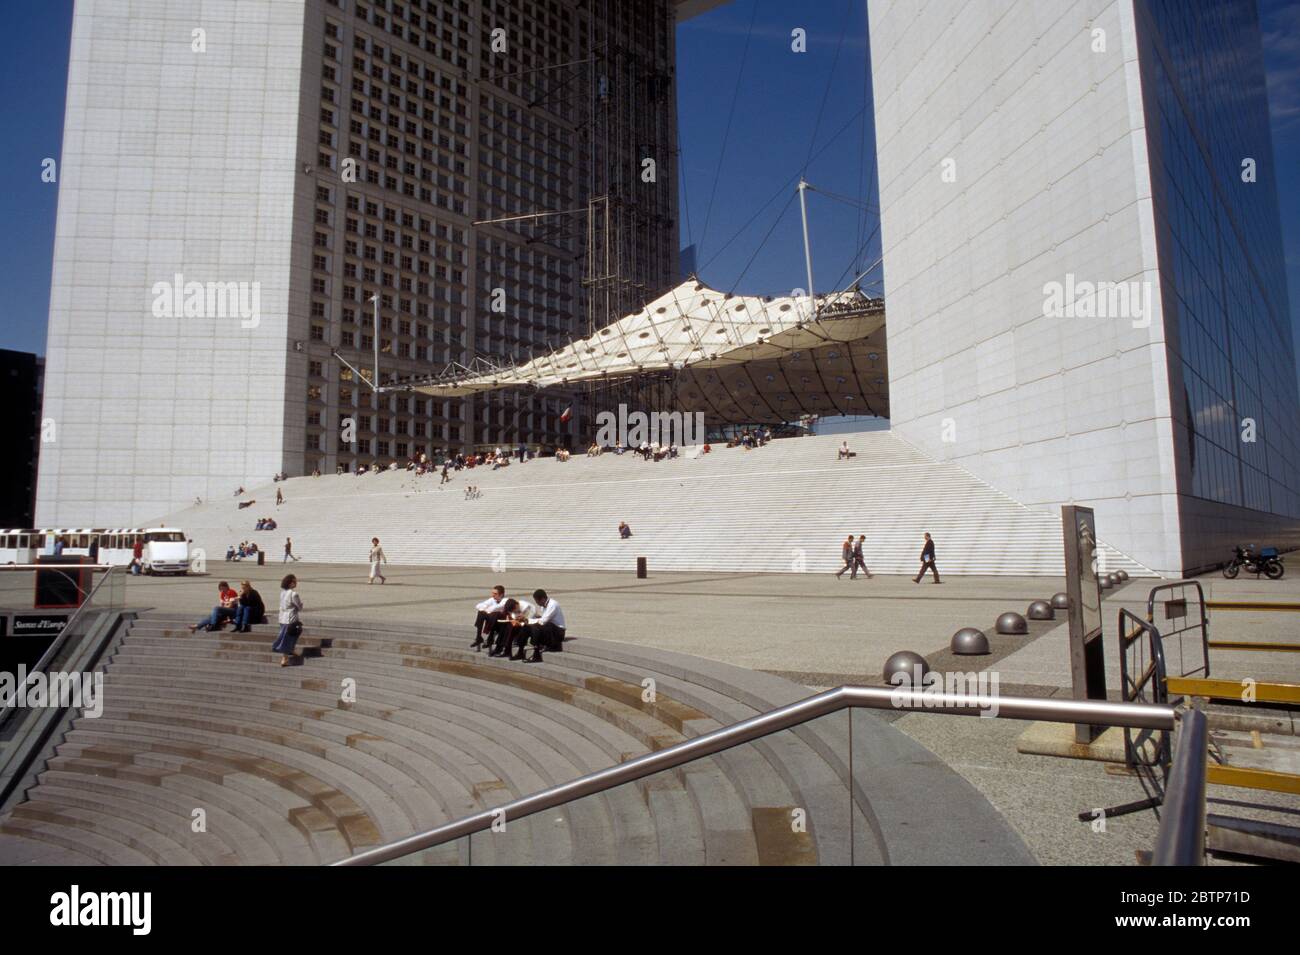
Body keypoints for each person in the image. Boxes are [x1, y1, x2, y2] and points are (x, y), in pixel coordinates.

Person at [521, 589, 566, 663]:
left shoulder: (552, 605)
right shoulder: (544, 605)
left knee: (536, 627)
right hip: (550, 629)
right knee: (527, 627)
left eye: (537, 601)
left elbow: (543, 621)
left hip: (558, 632)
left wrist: (528, 620)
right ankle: (521, 649)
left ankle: (536, 653)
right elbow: (543, 618)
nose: (537, 603)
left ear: (542, 599)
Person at [272, 574, 304, 667]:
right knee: (289, 635)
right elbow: (299, 606)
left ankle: (291, 649)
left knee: (289, 634)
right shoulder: (294, 594)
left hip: (282, 617)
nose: (296, 583)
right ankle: (285, 657)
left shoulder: (282, 592)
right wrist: (301, 605)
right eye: (294, 581)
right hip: (291, 618)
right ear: (290, 583)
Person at [471, 585, 507, 651]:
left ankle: (490, 639)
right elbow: (478, 606)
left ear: (501, 594)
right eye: (492, 593)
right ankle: (479, 637)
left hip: (500, 624)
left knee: (495, 614)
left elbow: (495, 608)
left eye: (495, 594)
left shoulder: (505, 601)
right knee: (481, 613)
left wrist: (487, 609)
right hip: (491, 622)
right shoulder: (492, 600)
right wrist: (486, 610)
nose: (493, 595)